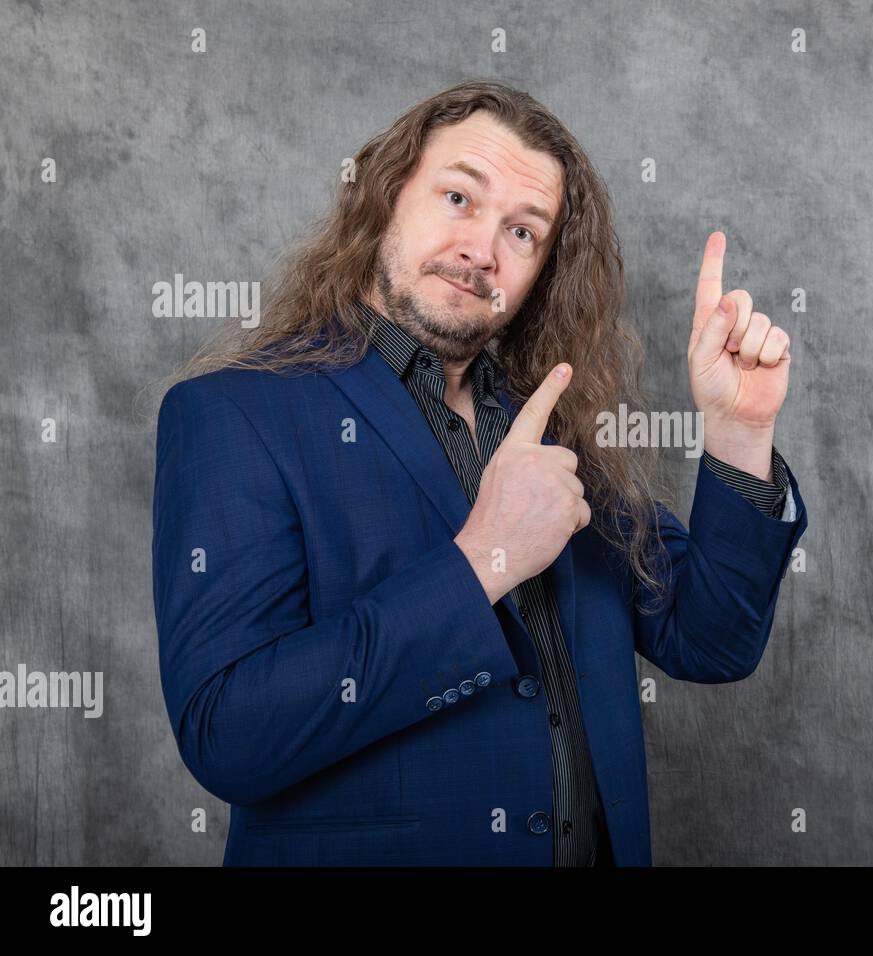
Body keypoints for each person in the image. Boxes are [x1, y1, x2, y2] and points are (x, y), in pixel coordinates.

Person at [150, 80, 808, 866]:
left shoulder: (554, 430)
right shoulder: (234, 415)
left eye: (523, 232)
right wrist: (485, 560)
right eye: (459, 196)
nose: (482, 249)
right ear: (386, 194)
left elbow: (711, 641)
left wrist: (739, 432)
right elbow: (230, 735)